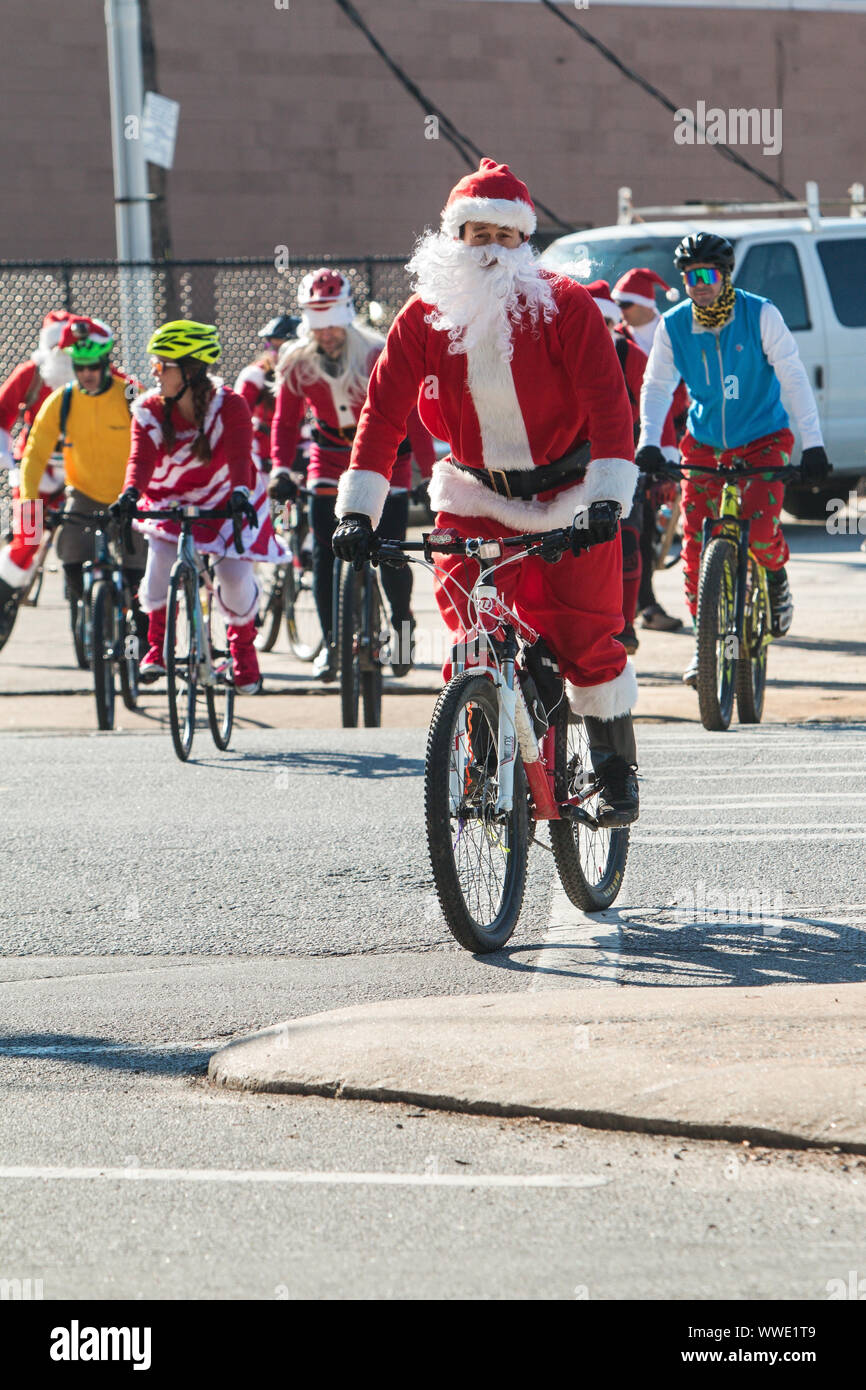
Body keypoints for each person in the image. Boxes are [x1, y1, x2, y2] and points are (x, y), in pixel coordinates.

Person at [332, 157, 640, 826]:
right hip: (474, 498)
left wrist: (607, 499)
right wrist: (358, 513)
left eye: (505, 237)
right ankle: (483, 753)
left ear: (524, 242)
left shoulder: (568, 304)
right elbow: (383, 414)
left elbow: (610, 406)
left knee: (588, 646)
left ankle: (615, 771)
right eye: (477, 235)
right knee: (475, 638)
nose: (491, 251)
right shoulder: (422, 318)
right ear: (454, 241)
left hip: (571, 495)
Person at [636, 232, 830, 686]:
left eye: (706, 275)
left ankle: (776, 579)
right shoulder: (674, 325)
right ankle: (705, 647)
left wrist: (814, 444)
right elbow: (657, 386)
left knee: (761, 530)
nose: (698, 284)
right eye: (689, 277)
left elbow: (793, 375)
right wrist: (649, 442)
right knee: (694, 549)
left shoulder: (761, 314)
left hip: (764, 437)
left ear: (725, 276)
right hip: (704, 443)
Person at [269, 269, 434, 680]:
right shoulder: (296, 362)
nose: (327, 335)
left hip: (384, 458)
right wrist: (280, 469)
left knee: (392, 552)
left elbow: (412, 414)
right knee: (325, 554)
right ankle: (332, 643)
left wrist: (429, 473)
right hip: (327, 457)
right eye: (318, 326)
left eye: (333, 325)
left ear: (347, 317)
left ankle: (401, 624)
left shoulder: (377, 352)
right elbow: (285, 424)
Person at [112, 321, 286, 695]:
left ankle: (243, 655)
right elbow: (140, 460)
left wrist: (240, 492)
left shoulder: (230, 405)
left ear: (190, 371)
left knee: (236, 579)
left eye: (163, 365)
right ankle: (158, 647)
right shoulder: (148, 409)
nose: (155, 373)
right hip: (169, 500)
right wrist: (130, 492)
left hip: (227, 497)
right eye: (155, 365)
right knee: (158, 567)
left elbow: (241, 456)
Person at [0, 316, 146, 635]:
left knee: (140, 559)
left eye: (91, 365)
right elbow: (32, 449)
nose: (85, 373)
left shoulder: (127, 391)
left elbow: (156, 431)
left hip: (113, 485)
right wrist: (26, 500)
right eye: (77, 364)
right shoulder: (49, 388)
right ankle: (8, 599)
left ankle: (139, 625)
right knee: (43, 542)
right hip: (58, 483)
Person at [586, 280, 679, 654]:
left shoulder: (630, 355)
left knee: (627, 541)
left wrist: (665, 465)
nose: (599, 334)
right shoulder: (558, 356)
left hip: (627, 465)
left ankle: (625, 624)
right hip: (569, 470)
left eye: (605, 325)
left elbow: (661, 405)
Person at [612, 267, 688, 634]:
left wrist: (672, 454)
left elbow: (676, 395)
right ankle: (643, 606)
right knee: (637, 531)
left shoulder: (669, 333)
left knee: (656, 533)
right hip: (636, 446)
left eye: (626, 303)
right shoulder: (619, 338)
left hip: (672, 437)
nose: (620, 310)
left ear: (645, 304)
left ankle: (716, 602)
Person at [234, 315, 301, 477]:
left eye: (283, 348)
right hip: (261, 454)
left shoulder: (310, 375)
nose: (276, 354)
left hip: (298, 448)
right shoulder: (255, 376)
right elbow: (237, 422)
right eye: (272, 347)